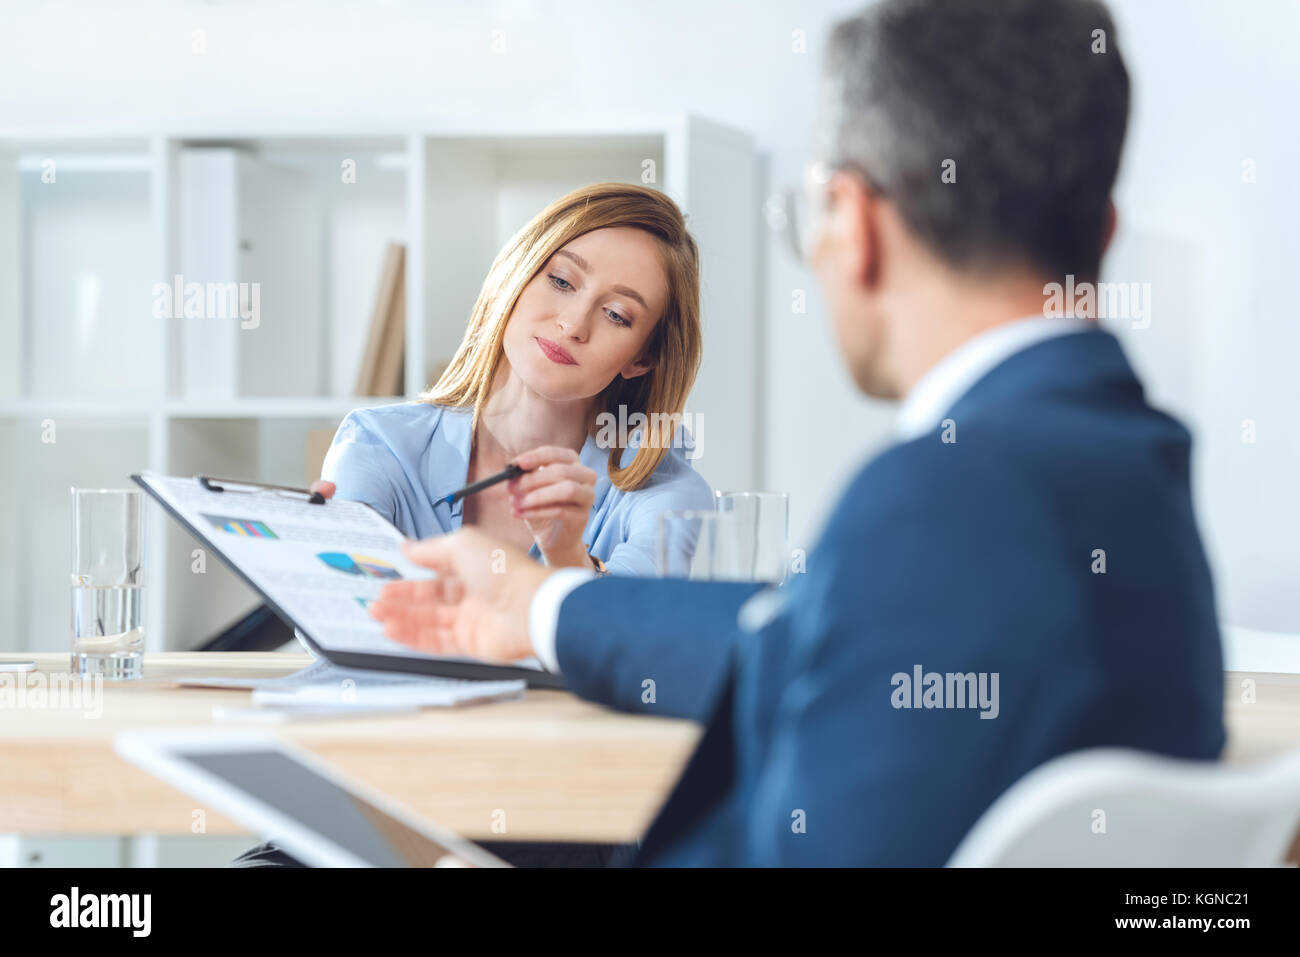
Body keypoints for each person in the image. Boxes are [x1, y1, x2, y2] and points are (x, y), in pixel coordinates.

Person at [371, 0, 1227, 866]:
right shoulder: (1134, 460)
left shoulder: (937, 495)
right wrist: (539, 603)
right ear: (1103, 231)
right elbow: (808, 637)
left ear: (853, 225)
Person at [315, 181, 712, 574]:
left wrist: (568, 557)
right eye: (561, 281)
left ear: (643, 358)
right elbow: (337, 618)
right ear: (516, 276)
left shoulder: (665, 491)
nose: (572, 325)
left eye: (616, 315)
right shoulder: (380, 445)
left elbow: (638, 629)